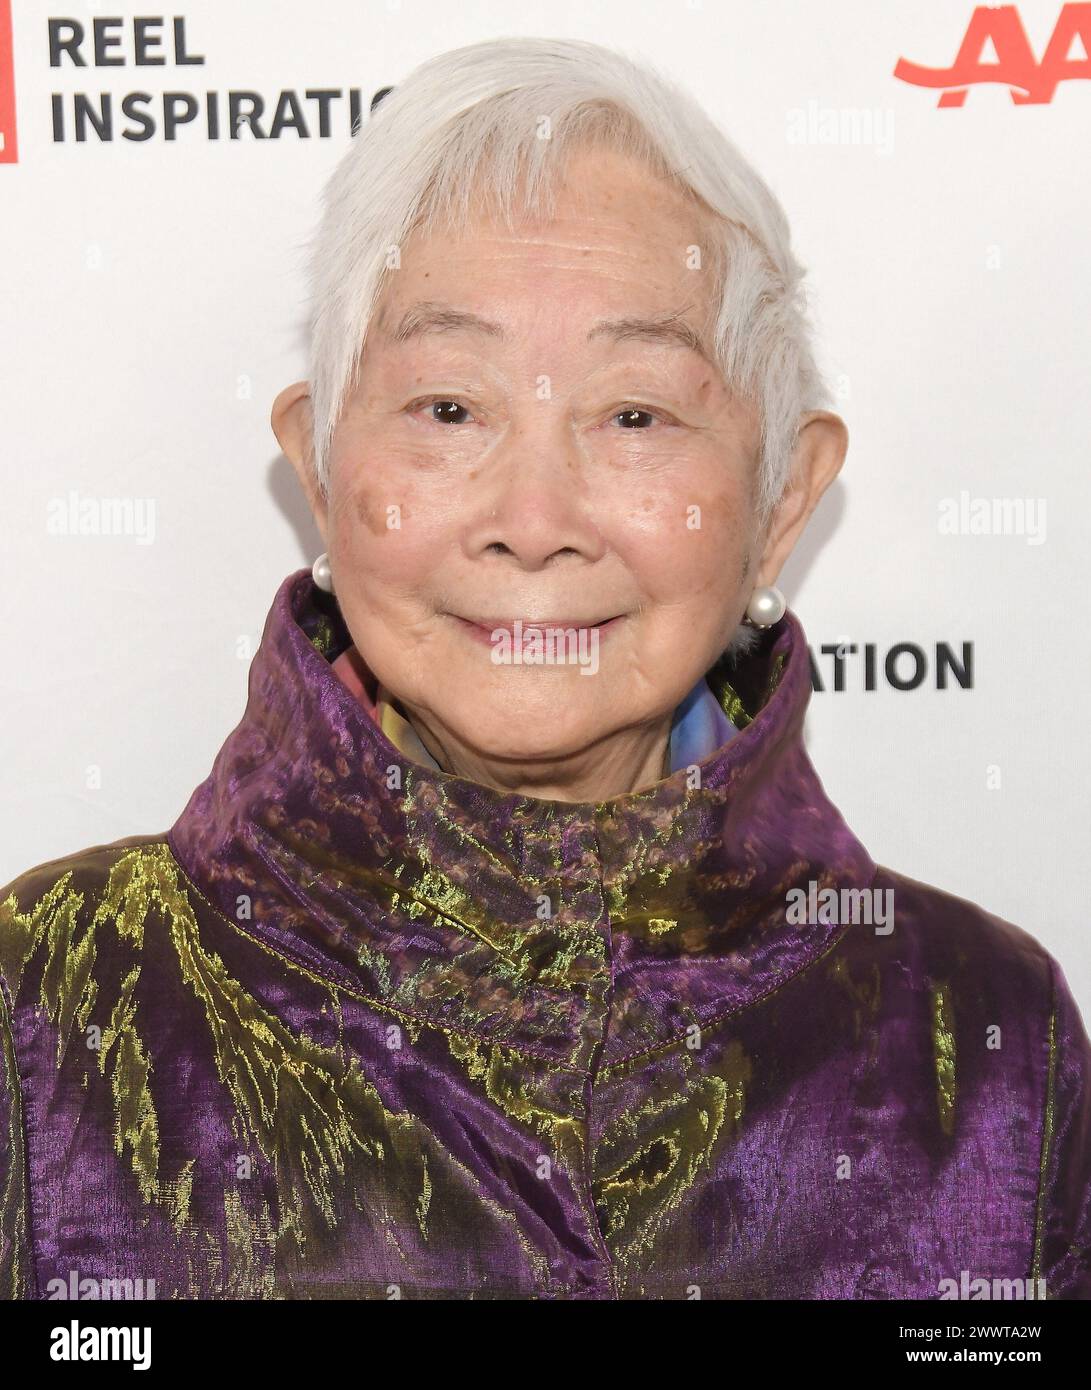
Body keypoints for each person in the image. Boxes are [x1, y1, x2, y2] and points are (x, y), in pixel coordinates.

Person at [1, 36, 1088, 1301]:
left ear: (780, 502)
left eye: (634, 415)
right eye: (448, 408)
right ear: (316, 467)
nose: (532, 514)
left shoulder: (974, 1038)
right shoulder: (55, 1005)